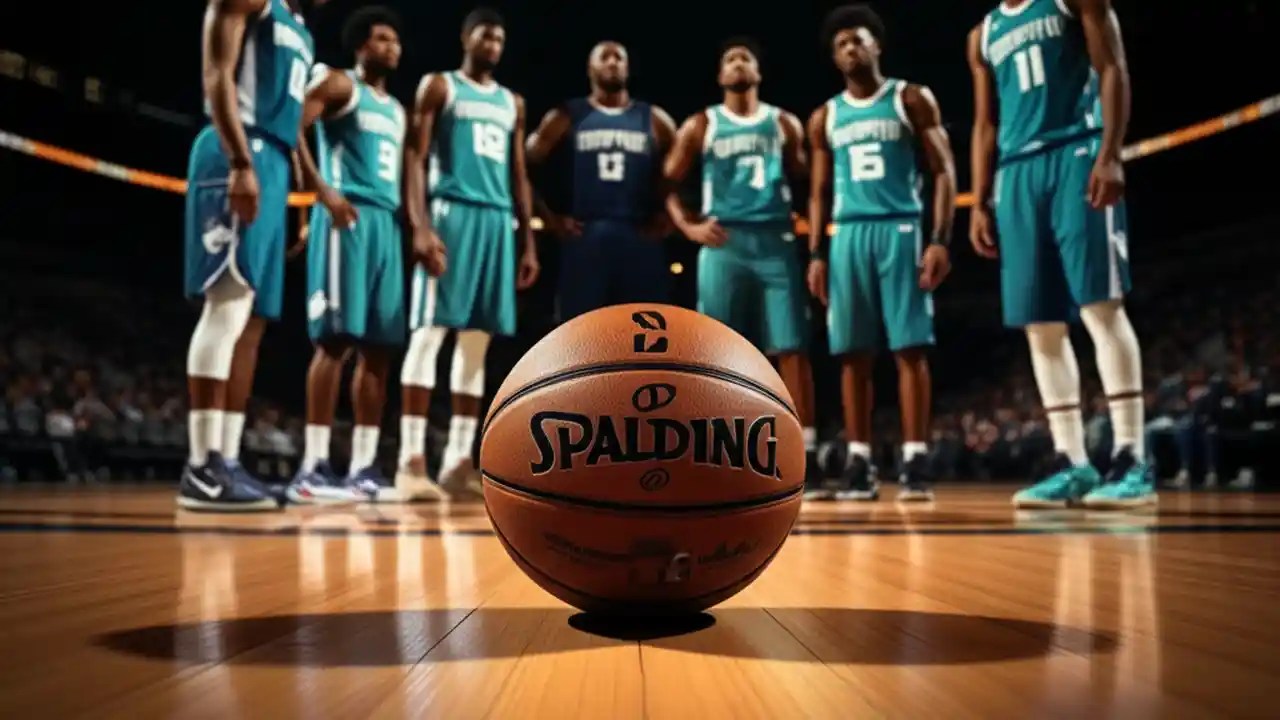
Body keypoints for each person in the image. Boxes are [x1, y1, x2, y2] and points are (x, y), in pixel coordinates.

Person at [968, 0, 1154, 508]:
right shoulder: (982, 34)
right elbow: (985, 123)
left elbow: (1112, 66)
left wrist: (1110, 153)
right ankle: (1072, 460)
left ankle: (1133, 455)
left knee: (1100, 306)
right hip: (1016, 172)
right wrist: (980, 198)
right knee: (1041, 326)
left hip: (1076, 150)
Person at [805, 5, 958, 502]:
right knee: (852, 353)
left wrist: (939, 238)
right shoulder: (824, 116)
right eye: (841, 44)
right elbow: (819, 190)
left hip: (900, 228)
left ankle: (916, 459)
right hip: (847, 233)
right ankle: (860, 463)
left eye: (858, 39)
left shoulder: (909, 98)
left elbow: (944, 172)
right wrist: (816, 253)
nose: (850, 48)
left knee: (910, 347)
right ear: (834, 58)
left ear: (877, 46)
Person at [286, 6, 435, 504]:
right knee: (334, 341)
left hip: (386, 225)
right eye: (381, 38)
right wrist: (320, 192)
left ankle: (363, 468)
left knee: (379, 349)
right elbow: (293, 127)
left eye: (395, 40)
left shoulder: (397, 110)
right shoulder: (336, 83)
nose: (391, 47)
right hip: (345, 217)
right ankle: (312, 467)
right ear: (360, 45)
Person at [664, 37, 822, 489]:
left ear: (757, 72)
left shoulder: (783, 123)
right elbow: (667, 185)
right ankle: (714, 449)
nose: (737, 64)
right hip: (724, 241)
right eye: (729, 59)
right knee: (713, 349)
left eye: (745, 58)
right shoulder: (701, 124)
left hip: (775, 239)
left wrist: (814, 245)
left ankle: (802, 449)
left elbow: (811, 183)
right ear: (720, 76)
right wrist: (689, 228)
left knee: (791, 346)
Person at [396, 7, 540, 497]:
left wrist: (528, 238)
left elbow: (518, 171)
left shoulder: (513, 102)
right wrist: (419, 225)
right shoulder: (439, 85)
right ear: (466, 37)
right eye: (485, 35)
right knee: (430, 332)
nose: (494, 44)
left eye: (500, 38)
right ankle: (410, 461)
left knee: (477, 344)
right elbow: (413, 155)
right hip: (451, 213)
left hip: (497, 219)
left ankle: (459, 460)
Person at [179, 0, 315, 511]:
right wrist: (239, 159)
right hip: (241, 149)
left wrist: (296, 191)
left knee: (253, 323)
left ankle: (227, 460)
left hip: (273, 163)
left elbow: (293, 117)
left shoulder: (300, 28)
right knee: (227, 303)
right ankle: (201, 466)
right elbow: (217, 73)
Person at [526, 41, 677, 321]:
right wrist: (548, 217)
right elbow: (522, 166)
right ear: (590, 68)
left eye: (619, 57)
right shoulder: (566, 115)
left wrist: (671, 216)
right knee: (580, 333)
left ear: (628, 67)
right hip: (586, 235)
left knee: (644, 332)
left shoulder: (655, 119)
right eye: (604, 57)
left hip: (638, 236)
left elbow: (682, 170)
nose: (612, 62)